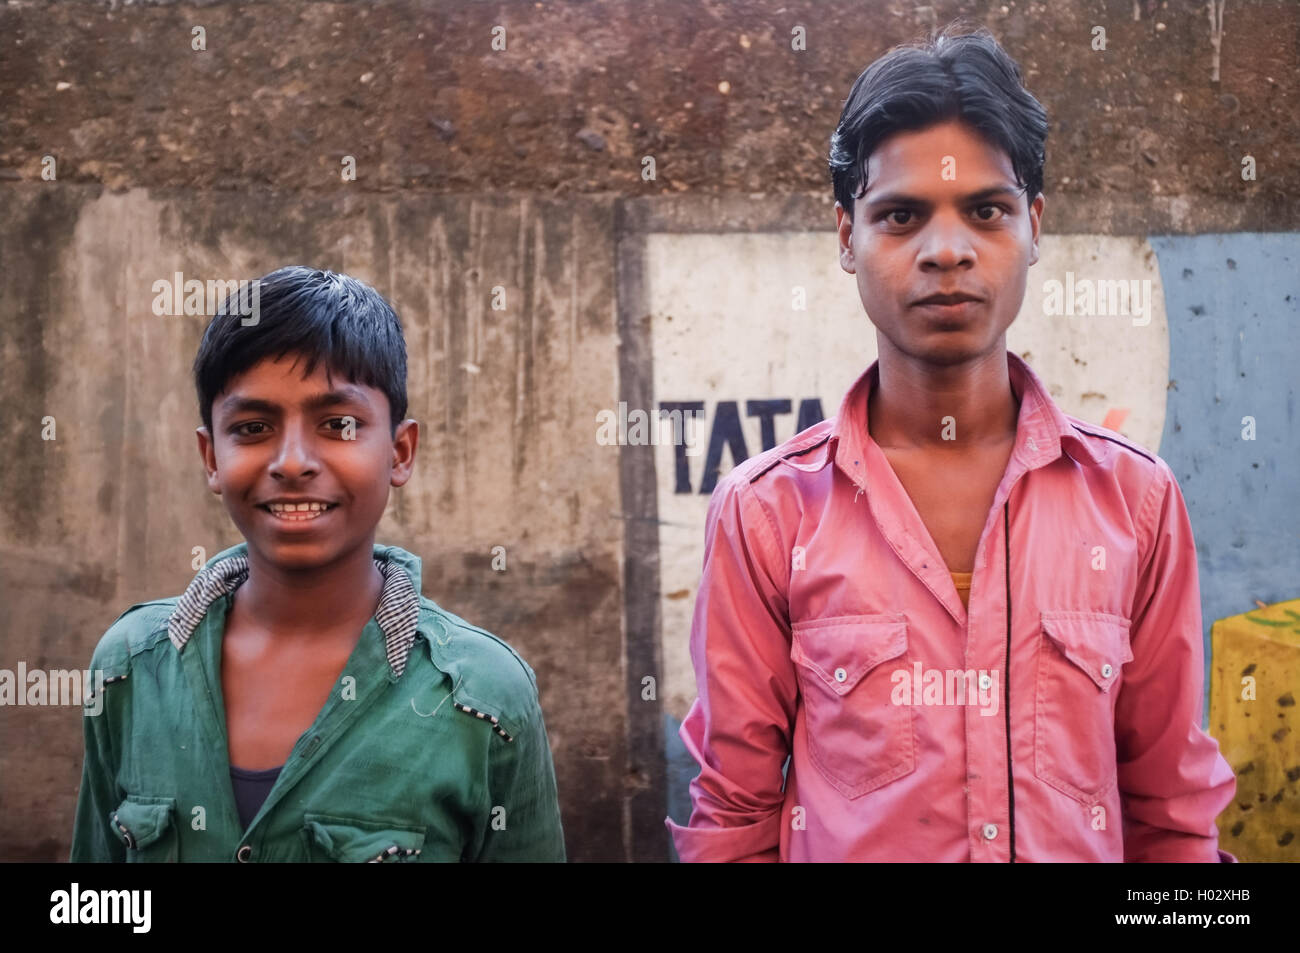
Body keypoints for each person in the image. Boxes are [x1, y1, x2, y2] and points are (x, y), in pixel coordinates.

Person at [666, 26, 1236, 862]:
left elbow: (1171, 812)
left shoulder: (1135, 502)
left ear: (1033, 227)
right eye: (900, 215)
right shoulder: (767, 515)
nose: (946, 250)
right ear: (845, 238)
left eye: (986, 210)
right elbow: (734, 815)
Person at [70, 266, 565, 862]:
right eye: (253, 428)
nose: (293, 461)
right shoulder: (129, 668)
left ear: (400, 452)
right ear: (211, 457)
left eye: (339, 425)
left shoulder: (484, 695)